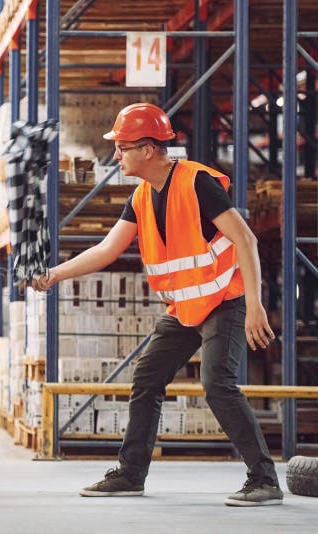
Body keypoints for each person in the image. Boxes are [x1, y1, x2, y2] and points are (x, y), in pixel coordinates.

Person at [32, 103, 282, 506]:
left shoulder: (198, 183)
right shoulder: (142, 197)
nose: (116, 155)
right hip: (185, 308)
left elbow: (246, 240)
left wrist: (254, 305)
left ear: (148, 150)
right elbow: (107, 249)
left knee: (217, 384)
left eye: (123, 147)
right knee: (146, 380)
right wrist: (55, 274)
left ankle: (264, 479)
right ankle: (131, 474)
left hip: (225, 299)